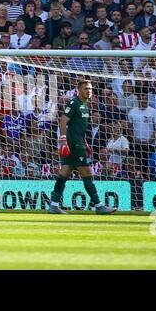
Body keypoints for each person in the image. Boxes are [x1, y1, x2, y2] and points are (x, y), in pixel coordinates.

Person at [49, 80, 114, 215]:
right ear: (79, 90)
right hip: (74, 146)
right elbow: (63, 121)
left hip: (79, 143)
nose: (89, 91)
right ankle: (99, 205)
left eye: (90, 89)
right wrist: (63, 141)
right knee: (87, 174)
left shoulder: (85, 105)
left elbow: (77, 126)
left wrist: (85, 142)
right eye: (85, 89)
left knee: (64, 173)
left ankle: (53, 205)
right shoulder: (74, 103)